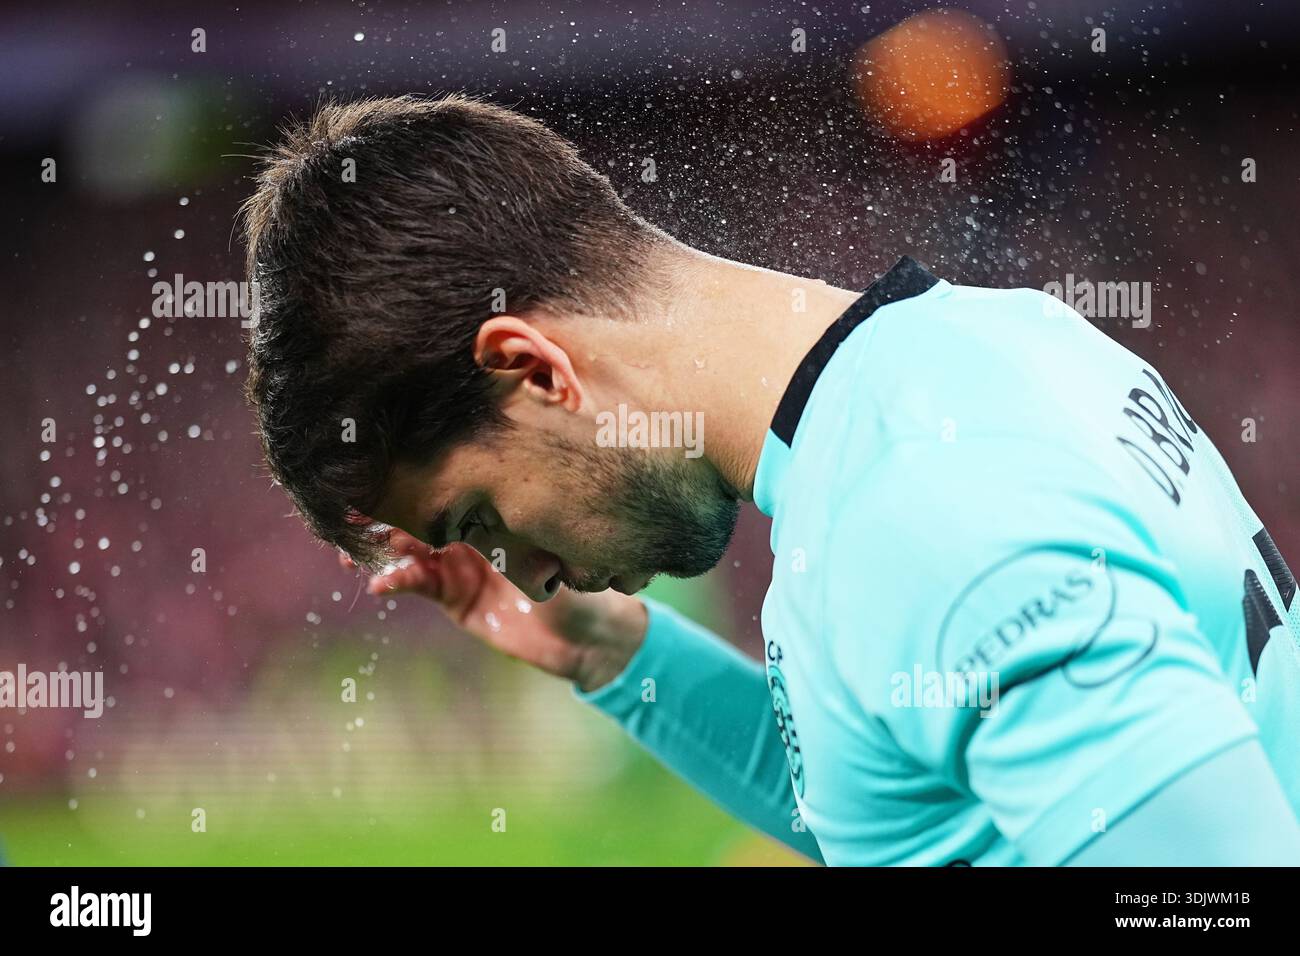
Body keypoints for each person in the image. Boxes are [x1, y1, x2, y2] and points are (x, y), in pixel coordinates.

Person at [241, 94, 1300, 865]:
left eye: (478, 515)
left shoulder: (917, 519)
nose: (525, 570)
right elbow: (925, 806)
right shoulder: (985, 346)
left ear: (531, 367)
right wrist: (612, 655)